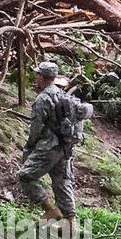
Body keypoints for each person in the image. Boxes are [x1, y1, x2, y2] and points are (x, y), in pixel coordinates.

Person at [18, 61, 91, 222]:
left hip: (48, 147)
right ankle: (71, 226)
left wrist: (30, 145)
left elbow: (37, 127)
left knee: (25, 176)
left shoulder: (43, 98)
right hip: (65, 147)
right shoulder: (63, 95)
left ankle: (50, 209)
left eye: (38, 75)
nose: (36, 78)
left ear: (42, 77)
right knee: (62, 183)